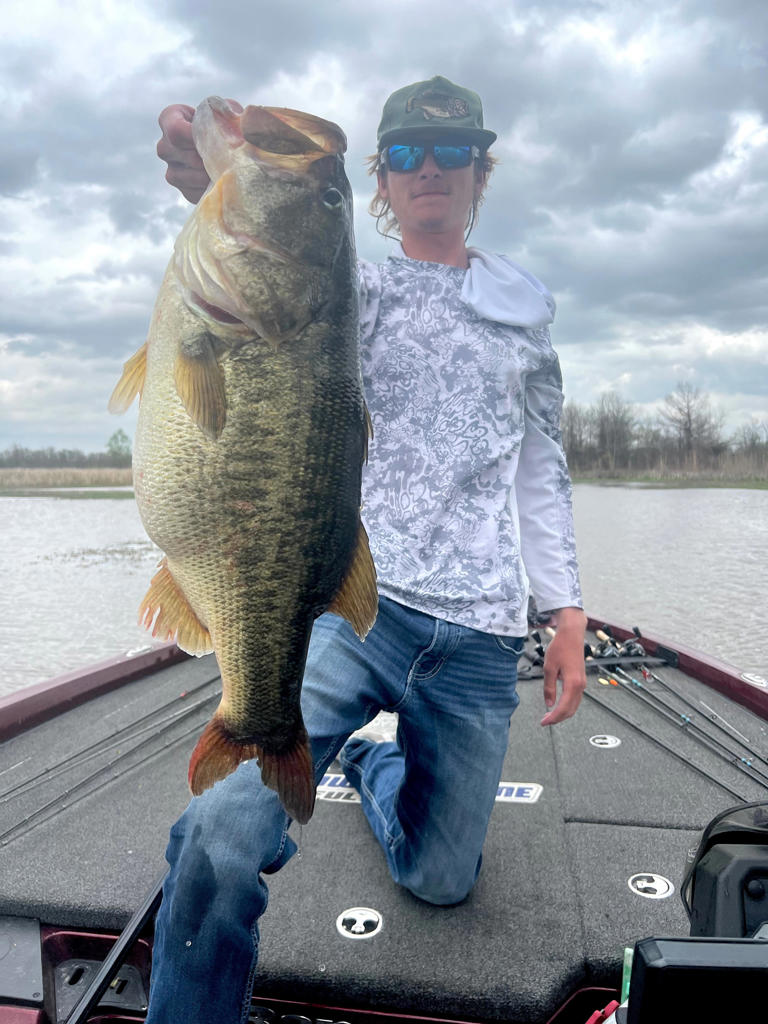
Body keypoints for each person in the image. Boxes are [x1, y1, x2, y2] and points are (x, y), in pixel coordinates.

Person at [147, 76, 587, 1024]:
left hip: (475, 639)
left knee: (439, 878)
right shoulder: (358, 291)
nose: (432, 169)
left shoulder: (525, 313)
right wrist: (211, 176)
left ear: (481, 172)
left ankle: (368, 766)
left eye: (455, 151)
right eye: (408, 156)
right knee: (220, 835)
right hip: (353, 614)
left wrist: (566, 611)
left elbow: (537, 470)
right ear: (381, 183)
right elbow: (275, 281)